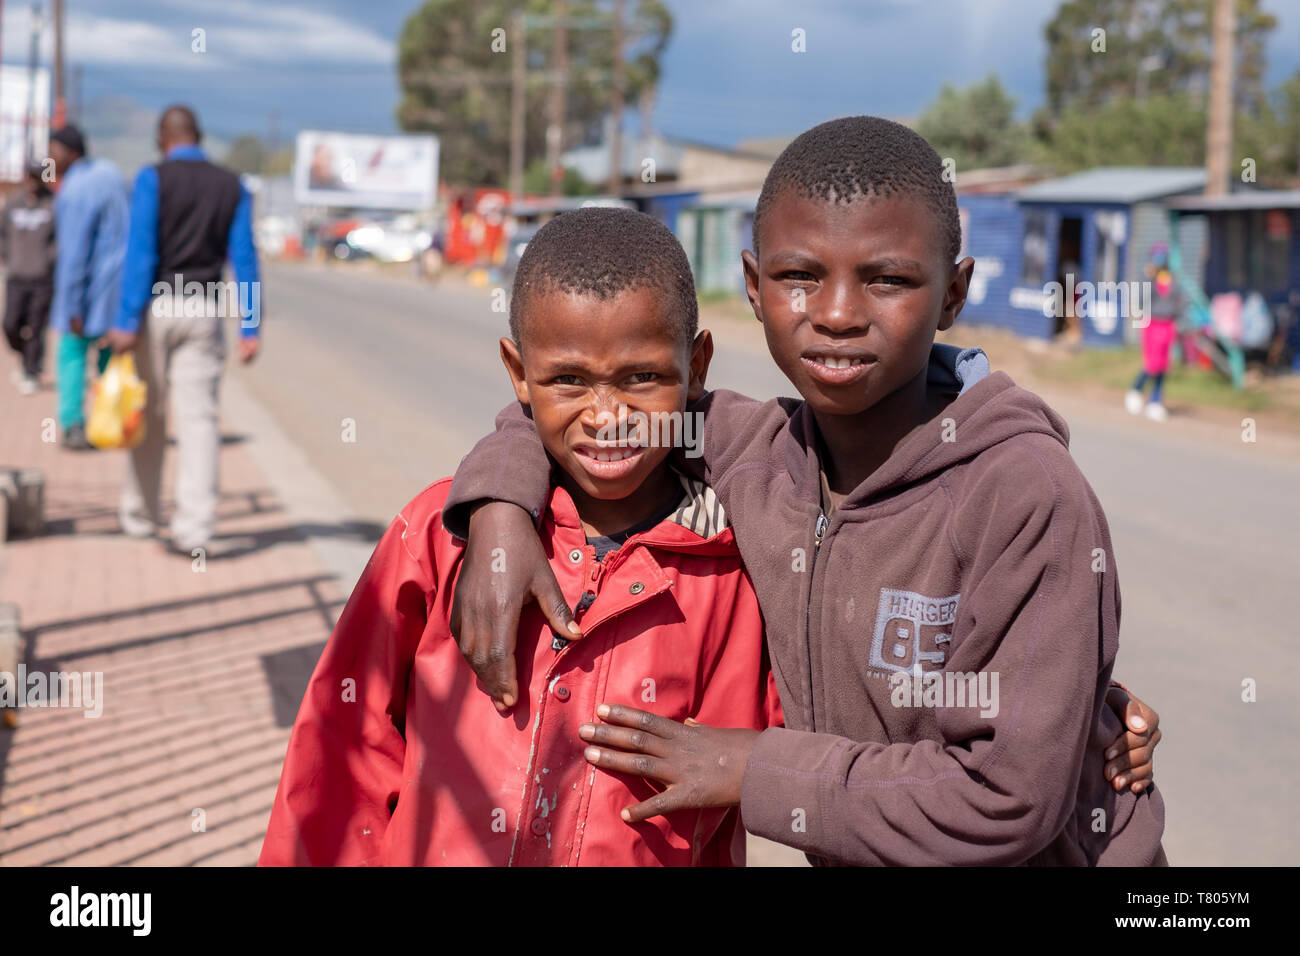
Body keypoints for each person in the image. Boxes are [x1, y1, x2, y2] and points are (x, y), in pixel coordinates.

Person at [442, 117, 1167, 865]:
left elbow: (1006, 798)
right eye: (800, 276)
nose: (838, 313)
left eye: (888, 279)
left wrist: (752, 768)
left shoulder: (1024, 496)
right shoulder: (751, 450)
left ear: (953, 293)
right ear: (755, 288)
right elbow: (592, 414)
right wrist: (500, 511)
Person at [259, 209, 780, 866]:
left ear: (696, 363)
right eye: (568, 380)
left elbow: (812, 736)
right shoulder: (441, 537)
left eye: (642, 377)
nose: (608, 416)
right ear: (518, 372)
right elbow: (345, 744)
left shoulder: (740, 567)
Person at [108, 105, 262, 556]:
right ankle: (194, 529)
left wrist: (124, 320)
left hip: (157, 306)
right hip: (205, 310)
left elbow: (139, 254)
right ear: (200, 136)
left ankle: (140, 514)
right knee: (198, 421)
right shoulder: (232, 186)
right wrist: (249, 326)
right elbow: (245, 261)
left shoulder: (152, 178)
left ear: (163, 138)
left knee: (148, 416)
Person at [48, 125, 128, 450]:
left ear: (72, 153)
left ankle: (72, 426)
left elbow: (75, 255)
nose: (51, 158)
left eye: (55, 151)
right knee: (109, 356)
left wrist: (73, 307)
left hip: (89, 292)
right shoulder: (110, 174)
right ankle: (108, 423)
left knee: (72, 353)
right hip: (117, 291)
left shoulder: (77, 188)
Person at [1, 161, 57, 395]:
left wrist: (51, 261)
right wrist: (8, 257)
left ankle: (31, 370)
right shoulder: (13, 204)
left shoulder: (53, 204)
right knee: (10, 324)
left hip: (42, 278)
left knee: (36, 326)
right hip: (17, 276)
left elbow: (60, 239)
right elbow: (2, 234)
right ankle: (25, 356)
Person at [1125, 245, 1182, 422]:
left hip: (1168, 324)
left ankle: (1156, 401)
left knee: (1164, 365)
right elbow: (1142, 300)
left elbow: (1178, 301)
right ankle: (1135, 390)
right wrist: (1151, 278)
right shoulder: (1148, 277)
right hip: (1152, 322)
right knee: (1152, 363)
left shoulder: (1172, 279)